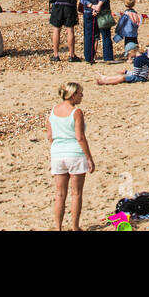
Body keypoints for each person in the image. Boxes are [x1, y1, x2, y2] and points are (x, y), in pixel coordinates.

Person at [48, 81, 95, 231]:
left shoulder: (53, 110)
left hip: (57, 153)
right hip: (74, 153)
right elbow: (80, 137)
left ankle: (58, 227)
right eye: (80, 93)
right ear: (73, 95)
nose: (82, 96)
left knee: (60, 194)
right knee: (76, 193)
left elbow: (50, 135)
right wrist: (89, 157)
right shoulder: (76, 112)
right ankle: (74, 226)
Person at [79, 0, 113, 64]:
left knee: (89, 35)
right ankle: (108, 57)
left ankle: (89, 57)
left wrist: (91, 6)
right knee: (105, 34)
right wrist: (97, 6)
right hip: (101, 10)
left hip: (89, 10)